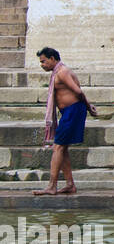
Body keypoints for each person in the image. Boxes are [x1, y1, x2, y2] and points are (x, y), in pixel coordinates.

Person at [35, 47, 98, 196]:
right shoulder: (58, 72)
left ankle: (52, 186)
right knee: (62, 148)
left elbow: (77, 91)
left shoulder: (62, 72)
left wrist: (89, 107)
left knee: (57, 148)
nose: (42, 65)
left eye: (43, 61)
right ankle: (70, 184)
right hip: (69, 112)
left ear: (52, 59)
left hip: (73, 111)